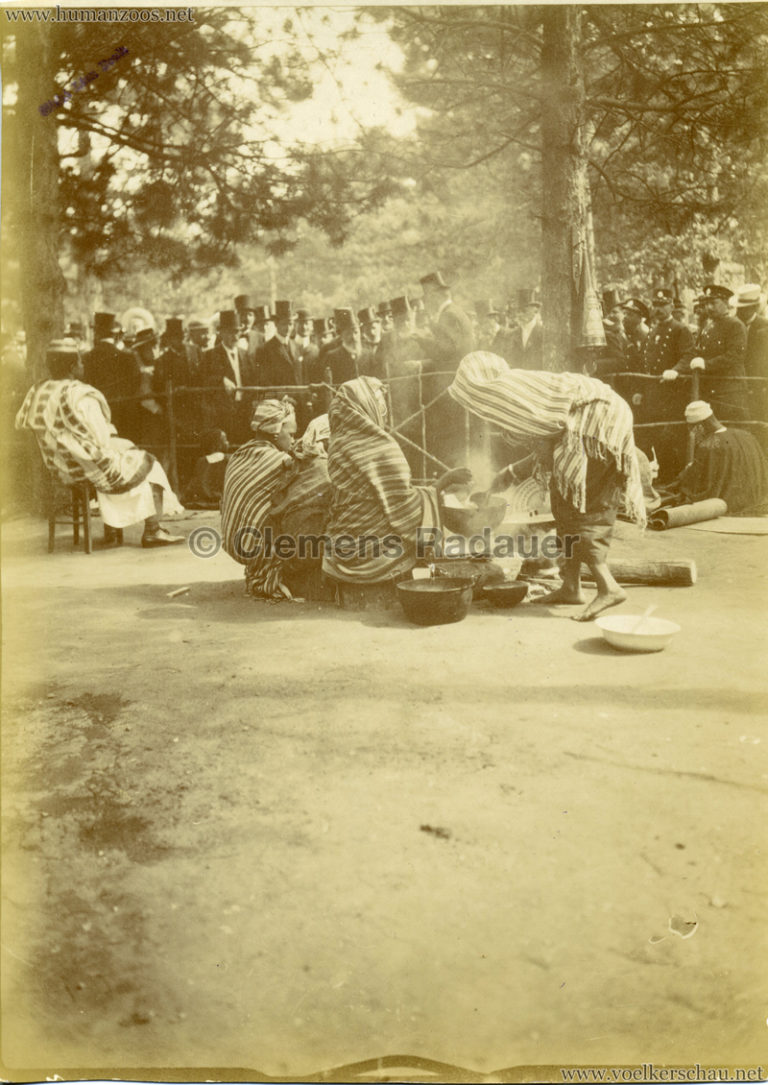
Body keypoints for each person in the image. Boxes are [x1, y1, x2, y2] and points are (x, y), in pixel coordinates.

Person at [448, 352, 646, 621]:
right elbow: (548, 439)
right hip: (592, 421)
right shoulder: (512, 388)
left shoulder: (509, 392)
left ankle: (608, 587)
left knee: (584, 509)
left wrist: (520, 475)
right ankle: (571, 587)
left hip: (596, 424)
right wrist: (509, 474)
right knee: (565, 505)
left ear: (478, 384)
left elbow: (545, 442)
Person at [16, 340, 184, 546]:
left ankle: (112, 531)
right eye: (79, 361)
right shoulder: (80, 395)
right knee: (149, 462)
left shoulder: (37, 391)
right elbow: (102, 439)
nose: (82, 366)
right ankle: (153, 530)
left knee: (122, 450)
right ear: (71, 367)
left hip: (58, 467)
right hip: (87, 468)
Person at [322, 376, 468, 583]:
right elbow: (404, 506)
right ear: (366, 405)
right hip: (370, 550)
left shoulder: (337, 443)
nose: (385, 410)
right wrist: (443, 482)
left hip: (342, 546)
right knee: (418, 535)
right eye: (380, 403)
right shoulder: (379, 445)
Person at [220, 398, 330, 599]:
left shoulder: (240, 454)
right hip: (256, 548)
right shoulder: (278, 461)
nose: (293, 439)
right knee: (319, 478)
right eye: (291, 433)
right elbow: (308, 461)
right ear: (276, 432)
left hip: (238, 544)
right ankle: (283, 569)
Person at [666, 400, 768, 515]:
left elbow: (699, 484)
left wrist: (686, 473)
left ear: (700, 426)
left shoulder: (709, 444)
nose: (693, 433)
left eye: (692, 429)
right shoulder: (746, 435)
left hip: (731, 504)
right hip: (757, 500)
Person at [662, 284, 748, 419]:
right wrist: (677, 370)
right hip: (710, 391)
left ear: (726, 303)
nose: (709, 308)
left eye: (713, 303)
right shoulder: (708, 326)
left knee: (731, 432)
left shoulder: (735, 325)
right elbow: (695, 352)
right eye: (707, 304)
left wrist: (707, 364)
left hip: (729, 392)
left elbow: (735, 356)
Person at [642, 288, 695, 376]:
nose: (658, 309)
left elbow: (689, 355)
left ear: (672, 307)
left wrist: (676, 370)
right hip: (653, 381)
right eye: (655, 305)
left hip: (673, 382)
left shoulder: (680, 329)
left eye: (663, 305)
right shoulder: (652, 330)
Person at [181, 428, 230, 509]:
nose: (228, 443)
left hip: (203, 502)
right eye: (225, 440)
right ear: (218, 444)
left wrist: (184, 500)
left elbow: (194, 484)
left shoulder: (202, 461)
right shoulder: (228, 459)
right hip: (224, 501)